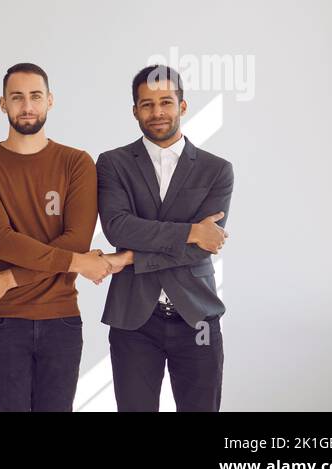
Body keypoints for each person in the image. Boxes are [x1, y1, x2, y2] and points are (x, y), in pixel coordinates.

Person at [0, 63, 104, 412]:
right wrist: (75, 263)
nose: (27, 106)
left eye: (35, 96)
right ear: (2, 104)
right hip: (3, 322)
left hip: (61, 319)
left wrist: (9, 278)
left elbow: (77, 241)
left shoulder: (77, 163)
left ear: (50, 100)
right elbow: (1, 240)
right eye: (17, 97)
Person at [96, 65, 233, 412]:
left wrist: (130, 258)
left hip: (197, 317)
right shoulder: (113, 164)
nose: (157, 112)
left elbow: (204, 248)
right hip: (134, 322)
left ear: (182, 106)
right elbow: (118, 228)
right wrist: (190, 231)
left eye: (166, 102)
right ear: (135, 111)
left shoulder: (216, 169)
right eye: (146, 104)